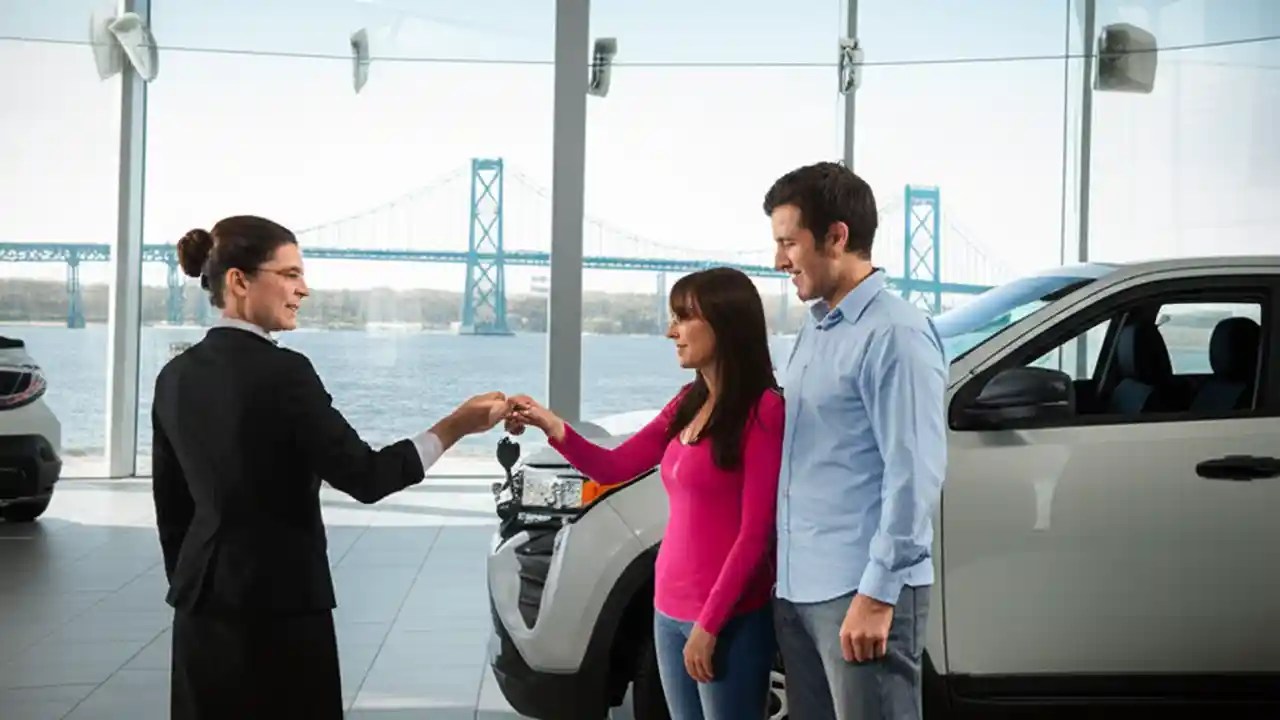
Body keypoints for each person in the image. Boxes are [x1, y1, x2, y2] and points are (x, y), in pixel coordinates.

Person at [150, 215, 511, 719]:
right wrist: (455, 426)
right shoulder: (286, 373)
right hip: (281, 607)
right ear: (239, 281)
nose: (305, 289)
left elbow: (172, 510)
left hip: (199, 606)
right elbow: (367, 477)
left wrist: (195, 580)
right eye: (291, 274)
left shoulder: (174, 377)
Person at [504, 267, 784, 720]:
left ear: (725, 322)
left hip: (726, 621)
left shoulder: (765, 411)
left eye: (683, 318)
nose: (671, 331)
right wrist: (550, 424)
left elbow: (755, 535)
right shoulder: (686, 403)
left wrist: (709, 626)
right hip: (667, 611)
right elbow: (613, 466)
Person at [764, 162, 947, 720]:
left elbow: (914, 474)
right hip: (800, 590)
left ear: (837, 236)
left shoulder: (895, 334)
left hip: (860, 594)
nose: (778, 261)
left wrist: (877, 593)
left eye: (789, 242)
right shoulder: (818, 328)